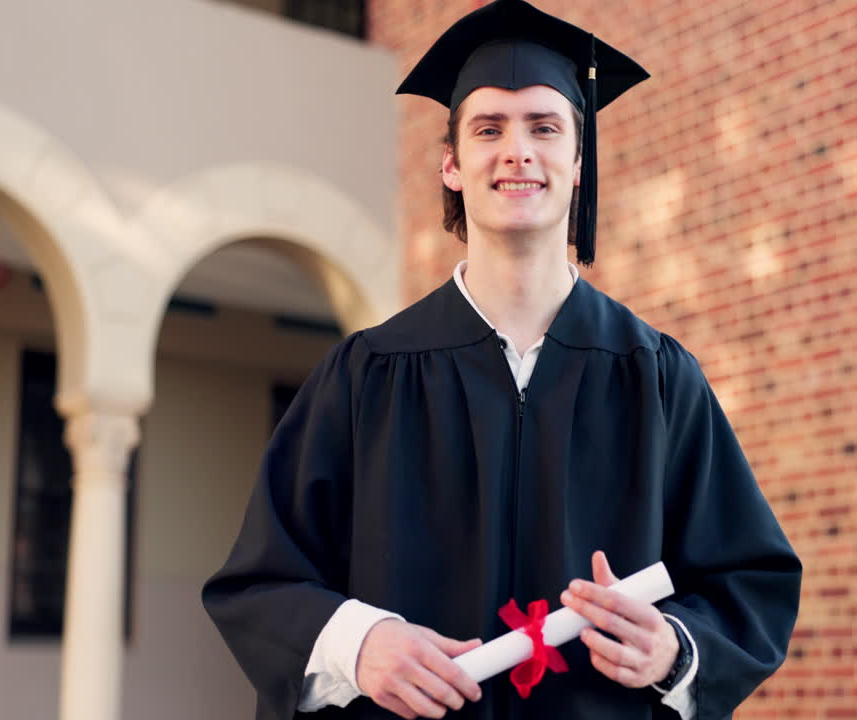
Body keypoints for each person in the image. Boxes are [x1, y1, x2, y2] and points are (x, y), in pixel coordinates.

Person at [202, 2, 802, 719]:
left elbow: (748, 582)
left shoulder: (658, 378)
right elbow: (263, 583)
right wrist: (360, 643)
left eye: (545, 127)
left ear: (578, 164)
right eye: (488, 128)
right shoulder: (367, 375)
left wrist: (673, 648)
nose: (518, 151)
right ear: (452, 165)